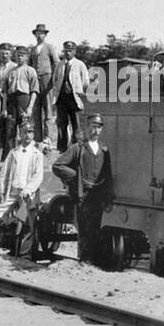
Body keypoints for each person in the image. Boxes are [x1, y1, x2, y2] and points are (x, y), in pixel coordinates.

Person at [53, 113, 113, 266]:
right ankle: (84, 261)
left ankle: (94, 261)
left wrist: (109, 196)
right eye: (93, 127)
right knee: (85, 228)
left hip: (98, 194)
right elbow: (58, 166)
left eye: (99, 128)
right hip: (83, 194)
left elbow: (108, 174)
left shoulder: (104, 150)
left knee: (96, 227)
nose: (96, 131)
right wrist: (75, 176)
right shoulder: (78, 148)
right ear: (87, 128)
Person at [0, 120, 44, 258]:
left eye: (30, 132)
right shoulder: (14, 153)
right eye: (25, 132)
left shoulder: (37, 154)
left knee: (27, 224)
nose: (28, 135)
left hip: (27, 194)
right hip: (13, 192)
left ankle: (24, 255)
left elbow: (38, 176)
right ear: (20, 134)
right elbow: (4, 174)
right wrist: (1, 191)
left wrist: (28, 189)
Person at [51, 40, 89, 150]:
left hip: (75, 98)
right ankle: (62, 148)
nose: (67, 53)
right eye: (65, 51)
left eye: (70, 50)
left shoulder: (80, 64)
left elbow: (85, 81)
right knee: (61, 124)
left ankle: (77, 147)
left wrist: (78, 91)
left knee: (76, 124)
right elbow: (55, 80)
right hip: (62, 98)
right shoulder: (59, 65)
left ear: (74, 52)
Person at [4, 46, 39, 156]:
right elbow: (5, 91)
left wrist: (29, 108)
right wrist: (5, 108)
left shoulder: (30, 70)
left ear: (26, 57)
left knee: (25, 128)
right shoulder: (10, 71)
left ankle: (26, 154)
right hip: (11, 101)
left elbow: (34, 91)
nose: (19, 57)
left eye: (22, 55)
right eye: (17, 55)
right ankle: (12, 154)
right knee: (10, 129)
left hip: (24, 99)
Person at [28, 23, 59, 146]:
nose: (39, 35)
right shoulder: (33, 49)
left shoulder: (49, 47)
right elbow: (29, 66)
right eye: (38, 33)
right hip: (35, 80)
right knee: (36, 110)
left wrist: (53, 80)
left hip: (47, 78)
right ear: (35, 35)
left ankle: (48, 138)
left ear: (45, 35)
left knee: (48, 110)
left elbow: (56, 63)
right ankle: (37, 138)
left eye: (42, 33)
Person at [0, 43, 16, 155]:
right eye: (2, 53)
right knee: (0, 126)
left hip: (10, 100)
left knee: (9, 127)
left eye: (7, 53)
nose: (4, 55)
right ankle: (0, 152)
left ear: (10, 54)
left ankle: (9, 153)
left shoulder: (14, 67)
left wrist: (5, 92)